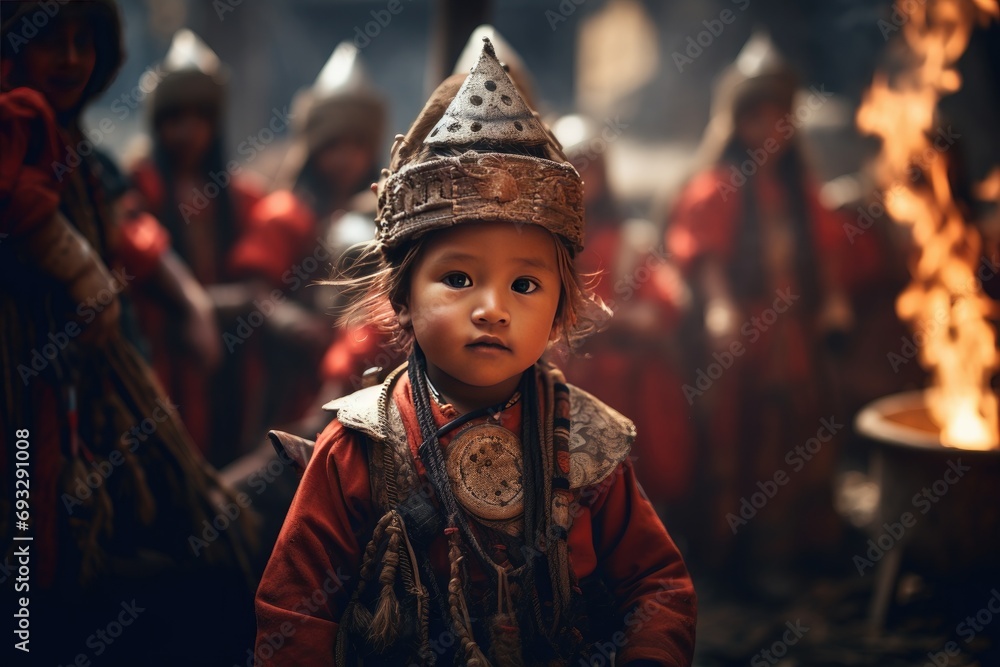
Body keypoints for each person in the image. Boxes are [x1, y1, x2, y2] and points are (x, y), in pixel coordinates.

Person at [255, 38, 696, 666]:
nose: (493, 308)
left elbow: (658, 586)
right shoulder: (358, 447)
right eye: (458, 278)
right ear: (401, 297)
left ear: (561, 310)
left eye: (525, 285)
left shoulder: (586, 441)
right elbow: (295, 613)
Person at [0, 2, 255, 664]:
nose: (70, 58)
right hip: (27, 397)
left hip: (102, 390)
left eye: (83, 40)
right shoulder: (22, 130)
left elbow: (133, 239)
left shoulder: (86, 159)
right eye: (49, 39)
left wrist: (193, 302)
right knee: (33, 565)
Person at [665, 33, 854, 582]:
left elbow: (824, 252)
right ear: (738, 122)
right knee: (742, 436)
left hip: (794, 338)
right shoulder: (717, 185)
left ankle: (798, 542)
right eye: (757, 117)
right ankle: (740, 553)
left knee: (801, 429)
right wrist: (720, 307)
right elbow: (705, 256)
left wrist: (833, 301)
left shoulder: (799, 189)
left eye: (779, 118)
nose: (769, 129)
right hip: (742, 338)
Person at [127, 29, 271, 466]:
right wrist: (193, 306)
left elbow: (261, 273)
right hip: (162, 347)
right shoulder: (140, 187)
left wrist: (229, 303)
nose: (189, 131)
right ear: (158, 123)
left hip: (227, 350)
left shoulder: (240, 197)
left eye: (200, 117)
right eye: (176, 118)